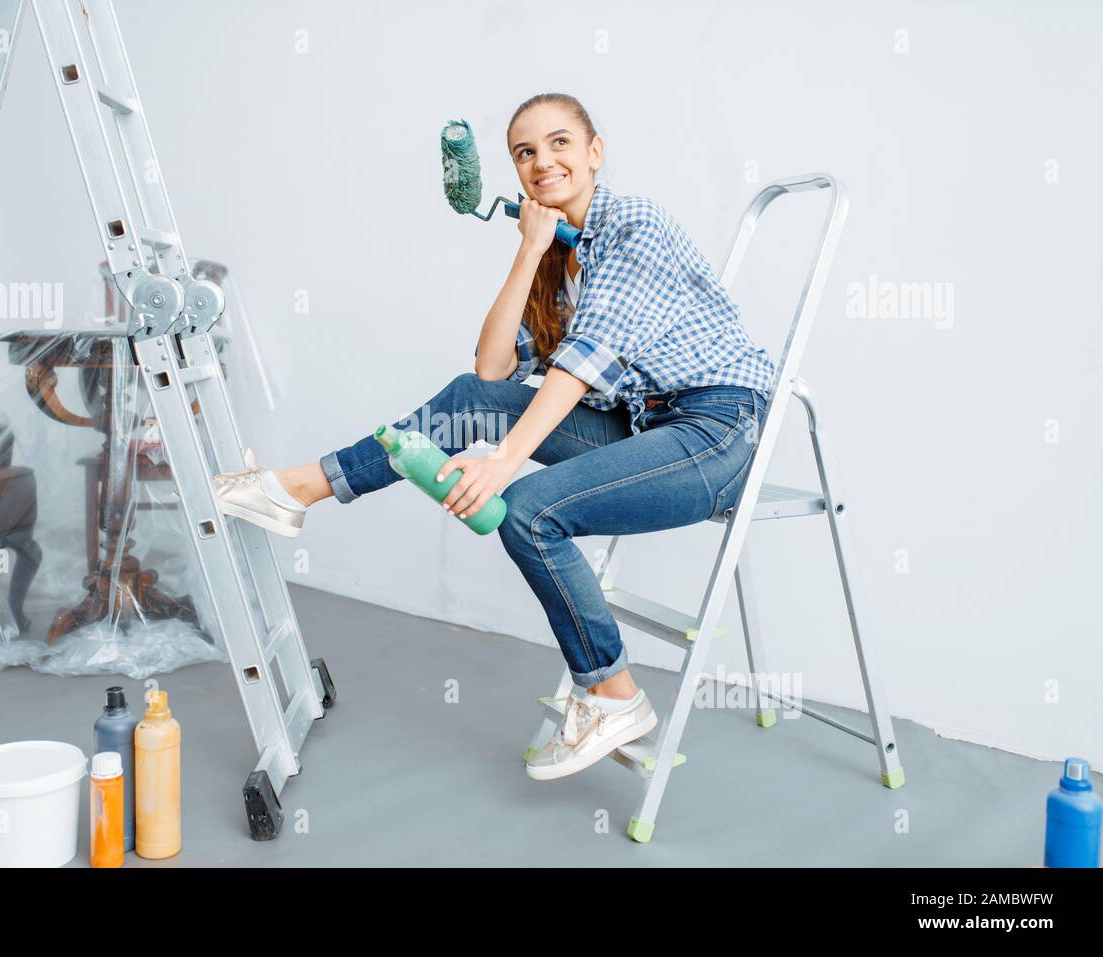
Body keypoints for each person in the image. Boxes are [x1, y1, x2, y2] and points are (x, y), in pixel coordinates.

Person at [212, 92, 774, 782]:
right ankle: (297, 488)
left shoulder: (634, 224)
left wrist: (505, 464)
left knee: (531, 508)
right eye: (526, 152)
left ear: (596, 152)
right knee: (472, 399)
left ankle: (614, 695)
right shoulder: (561, 254)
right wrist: (531, 251)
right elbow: (491, 369)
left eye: (561, 142)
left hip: (716, 430)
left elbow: (586, 358)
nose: (544, 161)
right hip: (642, 427)